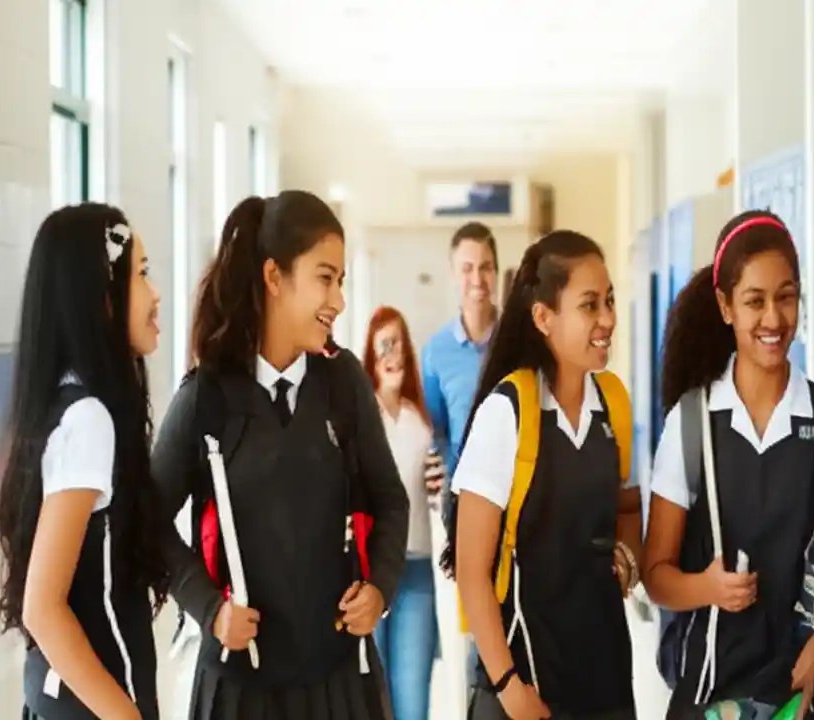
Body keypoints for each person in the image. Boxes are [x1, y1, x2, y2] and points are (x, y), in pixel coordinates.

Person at [152, 190, 410, 719]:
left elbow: (391, 501)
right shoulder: (207, 397)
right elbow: (145, 520)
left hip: (338, 684)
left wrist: (380, 588)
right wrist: (209, 608)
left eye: (340, 281)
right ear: (274, 277)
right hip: (238, 691)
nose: (337, 300)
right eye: (324, 277)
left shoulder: (344, 384)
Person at [642, 211, 814, 720]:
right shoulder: (692, 421)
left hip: (801, 694)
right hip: (708, 697)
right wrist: (707, 587)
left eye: (786, 297)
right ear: (726, 307)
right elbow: (654, 573)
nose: (773, 318)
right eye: (755, 301)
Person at [445, 231, 641, 720]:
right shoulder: (507, 412)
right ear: (543, 317)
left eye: (610, 301)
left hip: (604, 674)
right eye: (590, 306)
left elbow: (628, 507)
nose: (608, 320)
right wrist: (510, 689)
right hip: (526, 677)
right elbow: (472, 570)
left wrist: (629, 554)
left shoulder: (613, 404)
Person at [0, 204, 168, 719]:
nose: (155, 293)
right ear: (102, 300)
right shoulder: (89, 419)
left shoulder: (55, 407)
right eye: (140, 274)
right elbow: (43, 608)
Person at [363, 306, 443, 720]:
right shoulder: (359, 420)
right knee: (373, 698)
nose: (393, 354)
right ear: (372, 355)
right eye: (384, 344)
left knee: (412, 699)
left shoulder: (421, 423)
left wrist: (439, 485)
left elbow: (435, 491)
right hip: (369, 571)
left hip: (416, 568)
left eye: (399, 343)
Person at [422, 221, 499, 512]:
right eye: (467, 269)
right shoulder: (435, 353)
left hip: (518, 498)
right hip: (461, 499)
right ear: (454, 275)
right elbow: (436, 431)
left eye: (486, 267)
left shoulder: (519, 343)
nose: (477, 278)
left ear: (495, 273)